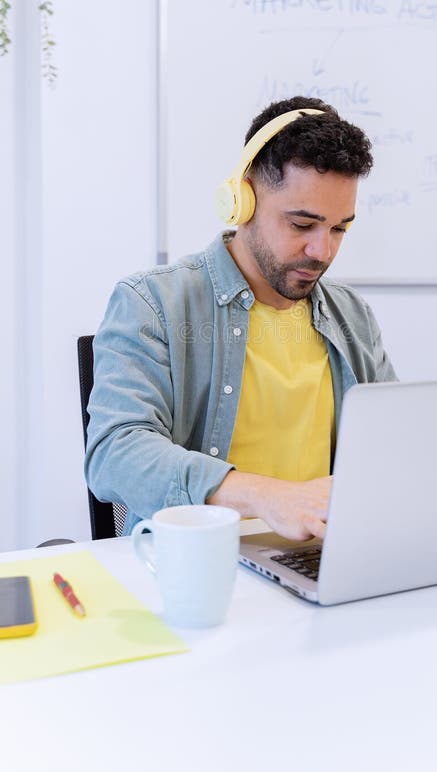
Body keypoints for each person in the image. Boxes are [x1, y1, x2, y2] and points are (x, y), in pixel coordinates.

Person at [85, 96, 396, 541]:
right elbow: (114, 454)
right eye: (301, 225)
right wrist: (266, 496)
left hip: (325, 559)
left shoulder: (353, 317)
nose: (322, 252)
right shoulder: (154, 302)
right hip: (199, 565)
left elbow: (394, 446)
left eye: (339, 228)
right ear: (242, 199)